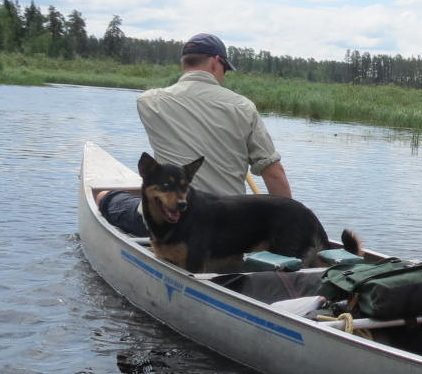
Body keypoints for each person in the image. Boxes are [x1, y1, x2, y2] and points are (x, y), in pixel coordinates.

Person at [98, 32, 291, 235]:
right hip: (228, 225)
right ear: (216, 63)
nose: (223, 76)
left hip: (171, 224)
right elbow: (275, 174)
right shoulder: (244, 107)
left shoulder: (149, 102)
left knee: (103, 196)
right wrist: (285, 226)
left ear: (184, 63)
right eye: (225, 70)